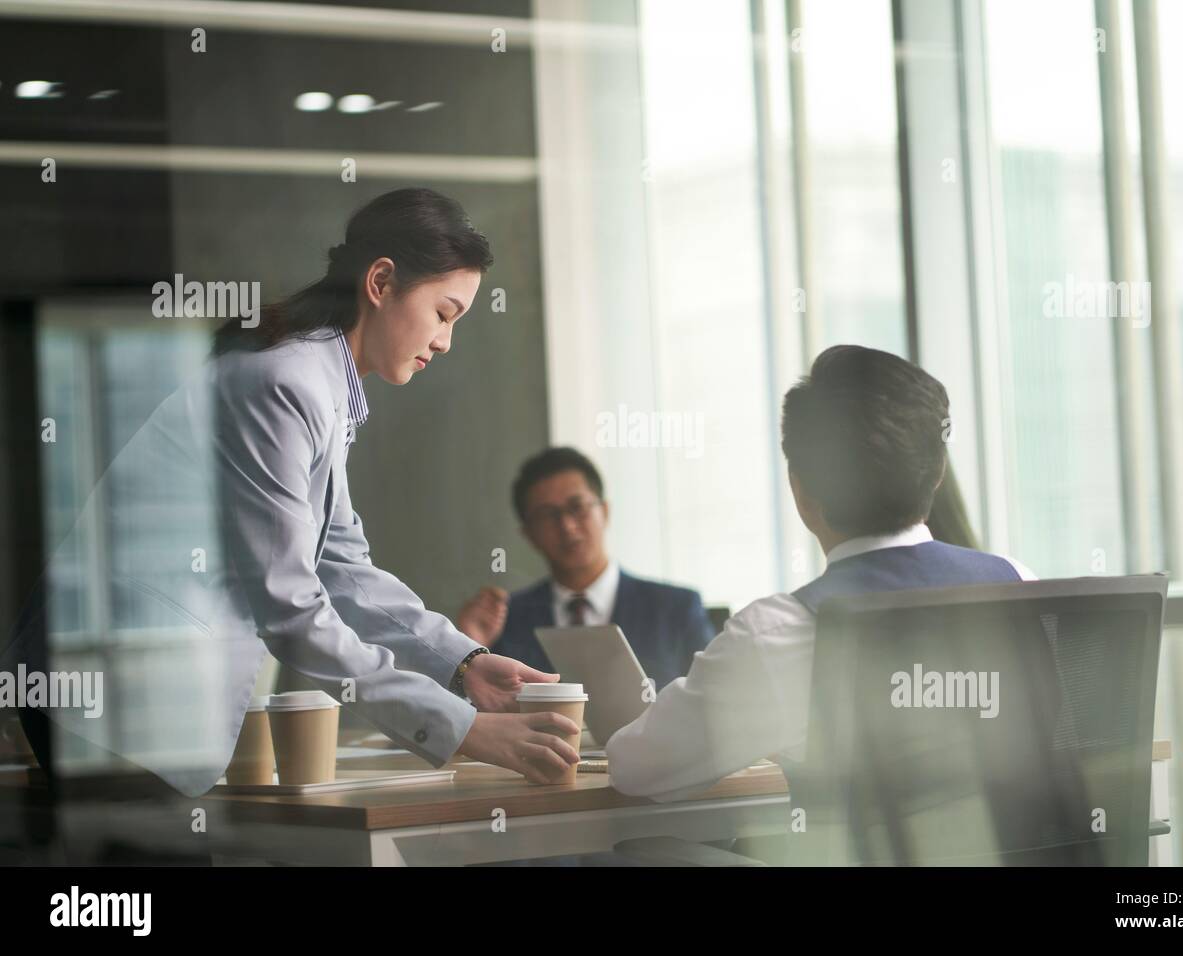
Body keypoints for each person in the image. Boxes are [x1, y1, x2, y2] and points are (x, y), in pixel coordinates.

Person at [6, 188, 579, 796]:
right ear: (380, 282)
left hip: (130, 697)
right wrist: (463, 730)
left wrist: (462, 664)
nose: (445, 341)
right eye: (444, 313)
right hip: (114, 700)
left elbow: (341, 565)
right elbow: (292, 608)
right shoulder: (287, 382)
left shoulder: (318, 383)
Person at [606, 345, 1035, 800]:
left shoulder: (776, 634)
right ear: (937, 475)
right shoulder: (1021, 584)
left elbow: (635, 768)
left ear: (800, 490)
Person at [456, 447, 713, 694]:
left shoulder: (676, 609)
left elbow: (710, 702)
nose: (567, 526)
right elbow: (482, 714)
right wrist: (468, 646)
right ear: (528, 534)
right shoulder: (505, 620)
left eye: (577, 507)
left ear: (605, 511)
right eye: (548, 515)